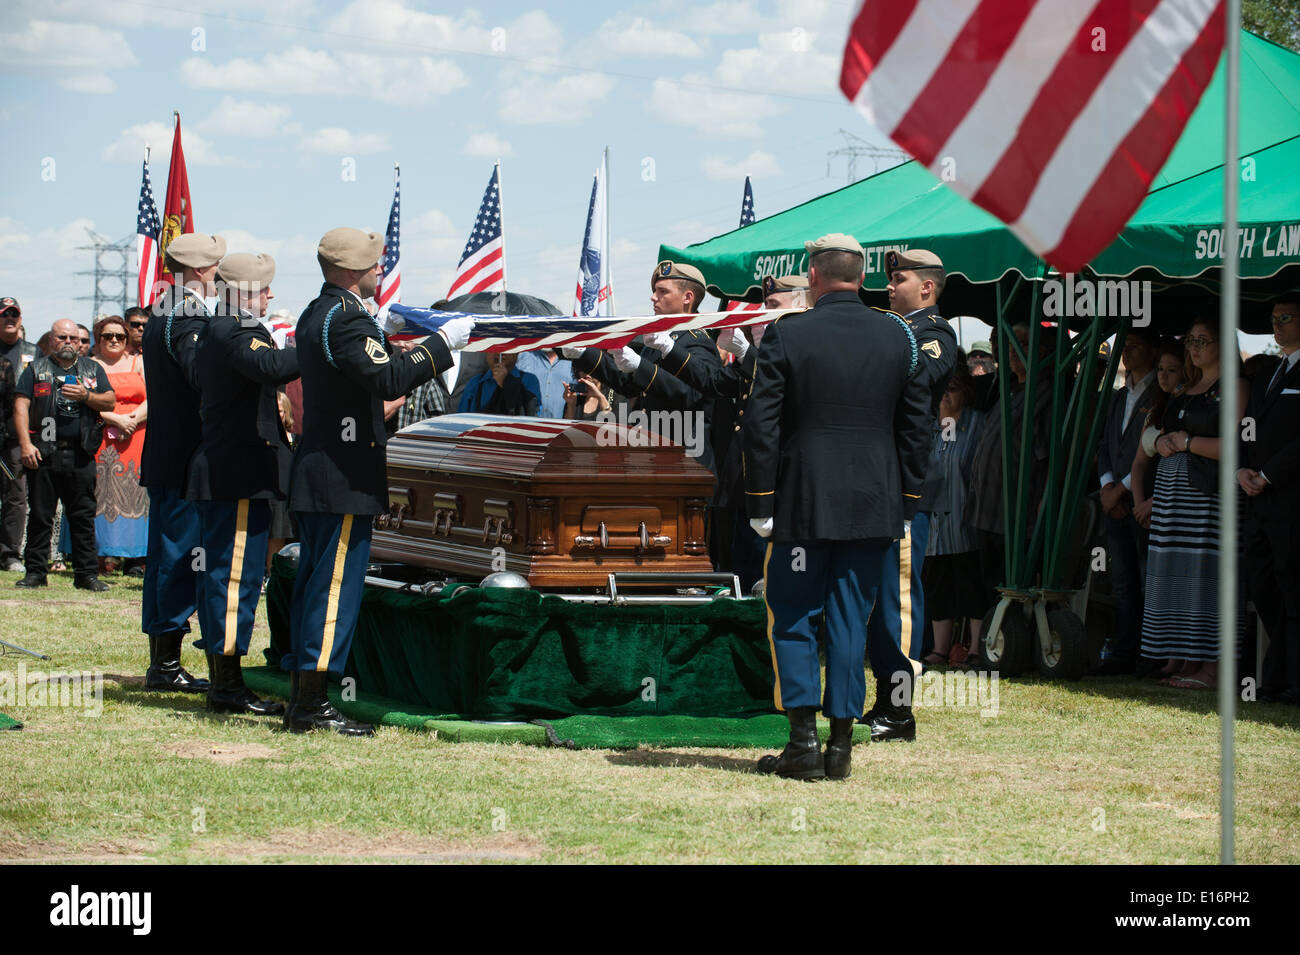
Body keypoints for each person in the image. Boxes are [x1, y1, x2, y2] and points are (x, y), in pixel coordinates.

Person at [744, 233, 929, 781]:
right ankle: (841, 747)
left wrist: (759, 501)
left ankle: (803, 743)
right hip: (873, 505)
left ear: (815, 277)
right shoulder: (898, 335)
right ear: (864, 277)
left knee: (796, 616)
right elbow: (917, 428)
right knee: (852, 620)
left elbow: (762, 424)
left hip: (802, 503)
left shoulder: (787, 333)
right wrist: (906, 502)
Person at [286, 227, 473, 735]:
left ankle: (305, 697)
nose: (379, 271)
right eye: (373, 265)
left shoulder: (317, 312)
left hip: (322, 470)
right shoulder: (346, 319)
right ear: (351, 271)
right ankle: (312, 705)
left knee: (317, 584)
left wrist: (385, 334)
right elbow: (388, 379)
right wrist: (441, 344)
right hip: (341, 474)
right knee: (333, 589)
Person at [639, 273, 809, 590]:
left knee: (779, 577)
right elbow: (715, 383)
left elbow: (788, 385)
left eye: (773, 306)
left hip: (785, 477)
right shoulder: (769, 349)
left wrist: (748, 354)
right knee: (741, 573)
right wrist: (662, 351)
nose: (764, 315)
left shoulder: (807, 344)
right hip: (746, 478)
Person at [188, 251, 297, 716]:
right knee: (234, 580)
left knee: (235, 576)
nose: (270, 296)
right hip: (235, 473)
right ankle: (228, 689)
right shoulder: (236, 330)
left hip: (233, 472)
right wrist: (320, 344)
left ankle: (226, 682)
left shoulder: (220, 329)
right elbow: (274, 370)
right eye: (264, 289)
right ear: (243, 294)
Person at [861, 249, 957, 741]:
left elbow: (915, 374)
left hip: (904, 488)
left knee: (898, 599)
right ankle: (877, 699)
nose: (889, 288)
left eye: (899, 280)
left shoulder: (935, 334)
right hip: (874, 482)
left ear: (927, 288)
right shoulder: (890, 329)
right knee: (873, 598)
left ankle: (898, 710)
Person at [139, 232, 227, 694]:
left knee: (169, 555)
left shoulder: (166, 307)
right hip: (184, 457)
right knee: (178, 557)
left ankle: (164, 659)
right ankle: (166, 664)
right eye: (216, 268)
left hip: (171, 453)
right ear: (200, 271)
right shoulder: (186, 313)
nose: (220, 276)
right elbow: (201, 376)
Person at [1139, 320, 1248, 689]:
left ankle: (1213, 669)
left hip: (1208, 498)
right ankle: (1185, 658)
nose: (1195, 347)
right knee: (1178, 577)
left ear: (1222, 343)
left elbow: (1235, 445)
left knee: (1206, 578)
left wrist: (1185, 443)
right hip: (1174, 501)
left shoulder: (1234, 387)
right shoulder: (1186, 389)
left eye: (1203, 340)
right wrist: (1165, 440)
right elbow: (1162, 433)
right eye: (1191, 340)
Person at [564, 261, 721, 473]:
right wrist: (585, 354)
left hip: (684, 457)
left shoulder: (698, 341)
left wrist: (640, 366)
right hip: (652, 452)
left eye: (662, 291)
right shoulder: (659, 338)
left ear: (687, 298)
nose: (653, 297)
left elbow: (692, 393)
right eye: (655, 291)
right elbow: (627, 383)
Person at [11, 318, 115, 590]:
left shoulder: (92, 369)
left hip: (81, 453)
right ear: (51, 340)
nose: (68, 343)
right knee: (41, 516)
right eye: (62, 338)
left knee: (82, 515)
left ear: (81, 343)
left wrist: (86, 396)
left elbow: (110, 400)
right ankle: (35, 572)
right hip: (44, 452)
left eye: (74, 339)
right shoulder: (36, 369)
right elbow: (21, 407)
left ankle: (86, 575)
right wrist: (24, 444)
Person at [1239, 298, 1300, 705]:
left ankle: (1287, 680)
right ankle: (1280, 670)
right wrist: (1242, 469)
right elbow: (1251, 425)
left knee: (1293, 589)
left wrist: (1268, 473)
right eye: (1273, 318)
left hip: (1292, 498)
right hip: (1258, 500)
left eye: (1285, 318)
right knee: (1262, 584)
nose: (1276, 325)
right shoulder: (1272, 368)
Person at [1091, 328, 1161, 675]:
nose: (1126, 352)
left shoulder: (1161, 392)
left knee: (1149, 579)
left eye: (1134, 346)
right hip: (1115, 501)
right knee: (1122, 581)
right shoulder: (1119, 396)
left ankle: (1150, 655)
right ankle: (1123, 652)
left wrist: (1121, 489)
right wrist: (1106, 487)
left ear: (1152, 350)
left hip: (1143, 499)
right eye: (1124, 346)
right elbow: (1105, 444)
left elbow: (1150, 452)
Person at [921, 364, 986, 664]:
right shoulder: (927, 425)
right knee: (938, 587)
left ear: (967, 391)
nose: (946, 394)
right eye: (942, 387)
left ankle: (975, 648)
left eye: (954, 386)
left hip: (966, 521)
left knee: (971, 584)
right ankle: (940, 649)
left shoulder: (978, 424)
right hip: (932, 524)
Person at [86, 315, 149, 575]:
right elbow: (85, 399)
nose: (114, 340)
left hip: (137, 435)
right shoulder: (88, 365)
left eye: (120, 336)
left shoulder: (139, 363)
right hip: (100, 434)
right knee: (100, 493)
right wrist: (115, 419)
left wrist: (131, 420)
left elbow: (155, 396)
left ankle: (136, 557)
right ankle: (101, 556)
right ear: (98, 339)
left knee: (136, 493)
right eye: (107, 336)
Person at [0, 296, 39, 572]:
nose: (10, 318)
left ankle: (9, 554)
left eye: (15, 314)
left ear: (21, 319)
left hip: (16, 437)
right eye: (5, 314)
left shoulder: (33, 353)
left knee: (16, 495)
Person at [457, 352, 542, 415]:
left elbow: (531, 411)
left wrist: (507, 382)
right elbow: (462, 417)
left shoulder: (529, 380)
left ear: (516, 354)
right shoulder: (475, 383)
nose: (499, 353)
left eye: (507, 348)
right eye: (494, 348)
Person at [515, 348, 573, 418]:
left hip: (557, 425)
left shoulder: (572, 360)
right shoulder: (524, 355)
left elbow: (574, 398)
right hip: (525, 422)